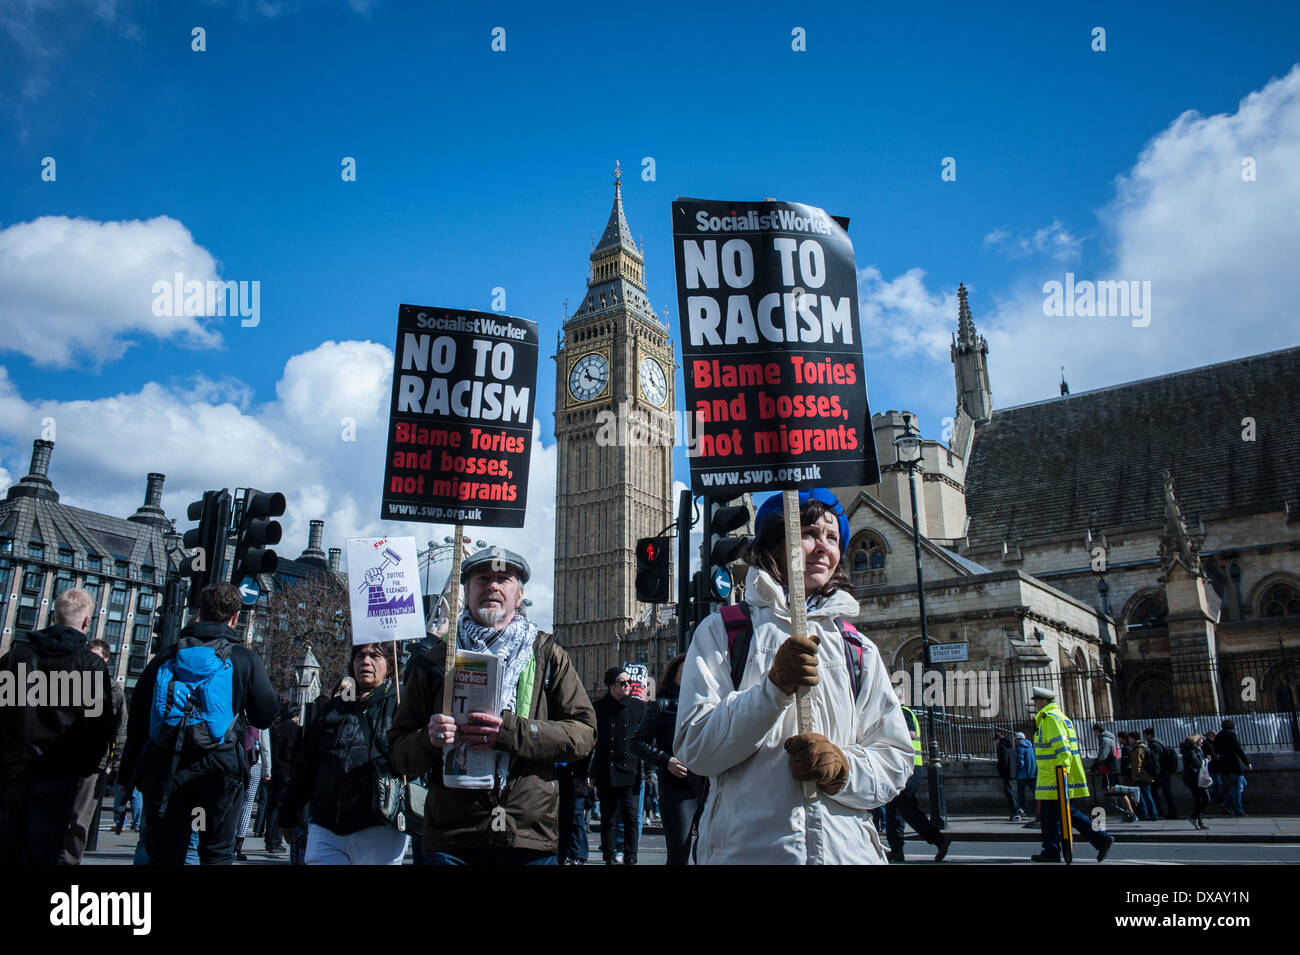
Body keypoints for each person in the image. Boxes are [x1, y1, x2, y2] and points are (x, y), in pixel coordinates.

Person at [675, 488, 914, 865]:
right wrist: (773, 690)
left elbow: (895, 760)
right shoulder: (724, 631)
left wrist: (843, 769)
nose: (823, 547)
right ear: (772, 543)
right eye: (808, 533)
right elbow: (697, 749)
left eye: (832, 537)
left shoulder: (858, 649)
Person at [388, 547, 596, 865]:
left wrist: (511, 731)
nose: (493, 586)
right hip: (452, 839)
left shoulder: (548, 656)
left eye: (503, 579)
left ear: (519, 593)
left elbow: (583, 734)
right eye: (483, 578)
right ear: (466, 591)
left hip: (527, 839)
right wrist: (427, 740)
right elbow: (399, 754)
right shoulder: (432, 662)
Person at [118, 582, 279, 865]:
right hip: (219, 769)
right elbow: (264, 716)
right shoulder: (244, 659)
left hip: (166, 766)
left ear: (199, 612)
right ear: (236, 616)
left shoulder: (166, 657)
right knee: (216, 853)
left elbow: (139, 719)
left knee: (165, 854)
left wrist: (127, 776)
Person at [0, 589, 117, 864]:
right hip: (59, 774)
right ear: (87, 622)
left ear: (54, 616)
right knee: (44, 852)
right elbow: (98, 727)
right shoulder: (90, 667)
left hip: (12, 770)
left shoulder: (16, 658)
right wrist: (84, 767)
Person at [279, 642, 409, 864]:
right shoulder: (332, 709)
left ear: (390, 665)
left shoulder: (402, 706)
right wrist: (289, 813)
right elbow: (306, 765)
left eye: (375, 656)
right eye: (360, 656)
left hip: (380, 828)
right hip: (326, 827)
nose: (366, 662)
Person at [1028, 687, 1114, 863]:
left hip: (1054, 777)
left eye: (1036, 701)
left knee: (1057, 815)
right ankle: (1054, 849)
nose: (1035, 704)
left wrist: (1062, 773)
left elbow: (1063, 750)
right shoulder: (1061, 717)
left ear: (1044, 701)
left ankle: (1098, 839)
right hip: (1053, 776)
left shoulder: (1050, 719)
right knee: (1058, 814)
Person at [61, 639, 127, 864]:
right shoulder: (69, 683)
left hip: (94, 763)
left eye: (97, 656)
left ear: (106, 660)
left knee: (80, 820)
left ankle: (69, 861)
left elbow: (121, 729)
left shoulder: (114, 689)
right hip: (64, 759)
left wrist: (117, 766)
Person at [632, 654, 696, 865]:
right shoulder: (662, 705)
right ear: (674, 676)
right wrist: (666, 761)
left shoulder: (708, 703)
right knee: (679, 855)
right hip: (678, 789)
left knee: (709, 851)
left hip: (707, 786)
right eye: (685, 671)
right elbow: (637, 742)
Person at [885, 700, 951, 862]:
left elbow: (911, 734)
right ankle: (896, 849)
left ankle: (939, 840)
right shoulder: (896, 712)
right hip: (900, 768)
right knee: (893, 809)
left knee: (906, 809)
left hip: (910, 769)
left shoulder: (903, 712)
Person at [592, 666, 645, 865]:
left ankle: (631, 856)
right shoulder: (599, 708)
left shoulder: (638, 707)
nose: (627, 686)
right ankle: (609, 857)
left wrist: (649, 771)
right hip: (607, 770)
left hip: (630, 769)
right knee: (608, 819)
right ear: (611, 686)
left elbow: (645, 741)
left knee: (631, 817)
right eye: (622, 683)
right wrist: (592, 773)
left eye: (629, 682)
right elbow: (594, 744)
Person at [263, 706, 299, 854]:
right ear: (295, 715)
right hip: (286, 770)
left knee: (271, 806)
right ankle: (275, 841)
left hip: (273, 769)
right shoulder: (294, 730)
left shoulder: (274, 727)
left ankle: (269, 838)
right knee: (279, 807)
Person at [233, 722, 271, 860]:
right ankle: (238, 844)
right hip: (254, 763)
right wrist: (267, 770)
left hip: (235, 759)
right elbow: (265, 746)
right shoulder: (260, 717)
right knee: (248, 804)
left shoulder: (237, 711)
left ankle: (228, 836)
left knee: (232, 801)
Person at [555, 752, 592, 864]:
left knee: (576, 815)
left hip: (577, 778)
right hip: (562, 774)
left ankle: (579, 853)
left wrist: (590, 774)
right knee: (563, 815)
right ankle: (565, 851)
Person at [1213, 719, 1252, 816]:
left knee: (1241, 784)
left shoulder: (1218, 736)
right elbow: (1238, 749)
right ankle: (1238, 809)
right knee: (1238, 787)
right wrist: (1247, 763)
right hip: (1234, 764)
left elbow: (1216, 751)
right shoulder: (1231, 734)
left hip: (1225, 765)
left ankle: (1226, 804)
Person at [1144, 727, 1179, 820]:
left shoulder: (1153, 744)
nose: (1145, 738)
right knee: (1166, 792)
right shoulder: (1160, 743)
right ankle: (1171, 811)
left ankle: (1161, 811)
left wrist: (1154, 772)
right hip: (1164, 772)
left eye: (1145, 735)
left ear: (1149, 735)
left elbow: (1155, 760)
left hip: (1161, 773)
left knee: (1156, 791)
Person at [1180, 733, 1211, 829]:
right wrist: (1206, 760)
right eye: (1201, 742)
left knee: (1198, 800)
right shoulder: (1191, 751)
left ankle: (1199, 821)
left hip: (1194, 778)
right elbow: (1197, 763)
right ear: (1196, 742)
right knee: (1206, 799)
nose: (1202, 744)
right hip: (1194, 779)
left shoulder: (1193, 750)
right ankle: (1193, 817)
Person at [1129, 731, 1158, 820]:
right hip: (1145, 775)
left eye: (1130, 738)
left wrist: (1136, 775)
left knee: (1145, 795)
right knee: (1145, 795)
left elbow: (1137, 763)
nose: (1129, 740)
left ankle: (1151, 814)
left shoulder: (1138, 749)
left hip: (1142, 776)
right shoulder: (1141, 747)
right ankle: (1149, 814)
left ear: (1134, 739)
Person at [995, 733, 1021, 821]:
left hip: (1006, 773)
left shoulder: (1002, 747)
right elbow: (1016, 759)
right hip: (1012, 772)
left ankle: (1016, 811)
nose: (996, 743)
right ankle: (1017, 808)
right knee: (1009, 791)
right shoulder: (1011, 746)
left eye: (996, 741)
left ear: (998, 739)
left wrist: (1001, 770)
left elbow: (1004, 761)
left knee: (1008, 792)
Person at [1090, 723, 1118, 798]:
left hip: (1108, 767)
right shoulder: (1107, 738)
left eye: (1094, 732)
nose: (1094, 734)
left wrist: (1094, 767)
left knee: (1109, 790)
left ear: (1097, 731)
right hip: (1110, 766)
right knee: (1115, 790)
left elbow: (1102, 756)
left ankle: (1112, 808)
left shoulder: (1105, 740)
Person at [1014, 731, 1036, 823]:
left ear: (1018, 740)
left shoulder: (1019, 748)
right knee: (1036, 792)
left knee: (1021, 794)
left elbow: (1021, 761)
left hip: (1023, 775)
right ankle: (1042, 808)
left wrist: (1017, 771)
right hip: (1032, 773)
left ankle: (1022, 810)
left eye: (1015, 740)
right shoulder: (1031, 747)